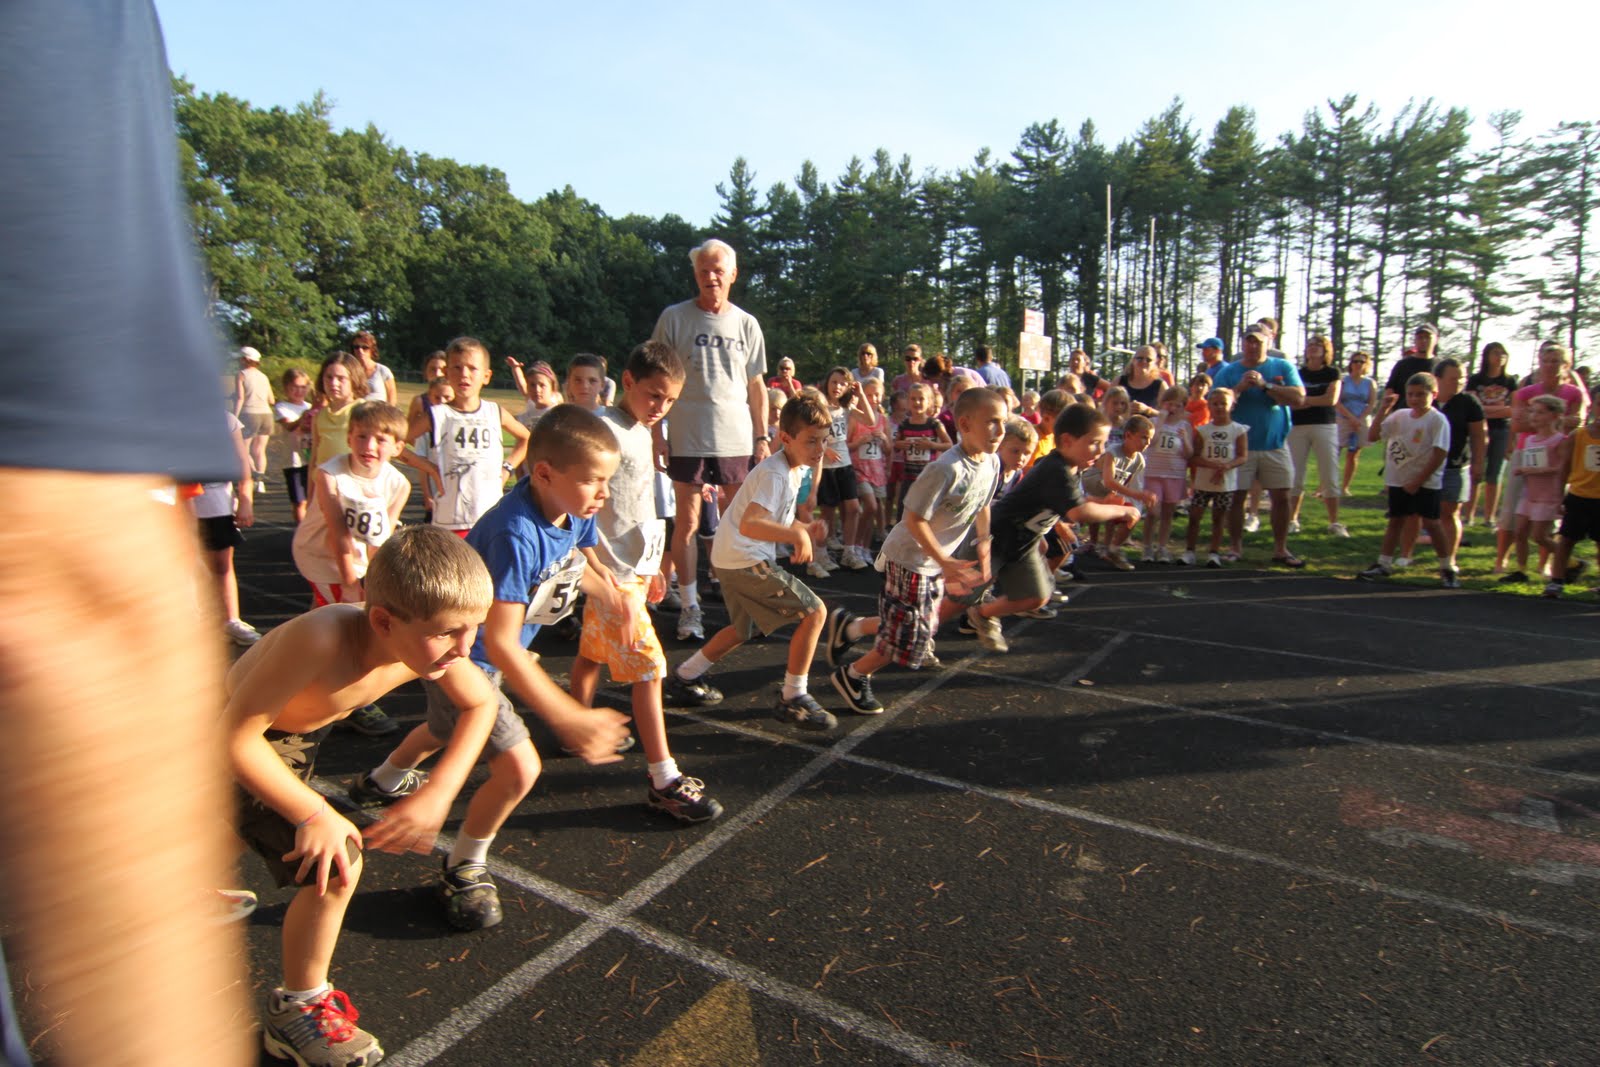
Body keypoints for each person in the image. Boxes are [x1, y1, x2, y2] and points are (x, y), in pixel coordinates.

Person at [228, 526, 501, 1066]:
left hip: (290, 740)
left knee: (231, 828)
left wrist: (441, 790)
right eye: (450, 632)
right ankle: (298, 1009)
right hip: (236, 741)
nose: (466, 647)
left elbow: (481, 704)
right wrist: (314, 812)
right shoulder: (324, 638)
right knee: (337, 858)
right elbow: (233, 737)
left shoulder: (420, 639)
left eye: (475, 628)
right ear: (383, 621)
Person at [350, 407, 632, 930]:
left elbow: (580, 560)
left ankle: (383, 778)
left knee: (443, 727)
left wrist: (614, 594)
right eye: (595, 481)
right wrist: (566, 715)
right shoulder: (513, 536)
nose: (604, 494)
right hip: (464, 657)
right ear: (544, 473)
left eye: (608, 481)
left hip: (490, 654)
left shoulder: (574, 509)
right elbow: (499, 644)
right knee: (519, 768)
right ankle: (463, 865)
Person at [573, 342, 724, 821]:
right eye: (654, 395)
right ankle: (664, 778)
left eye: (671, 400)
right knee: (650, 668)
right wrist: (599, 571)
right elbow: (582, 509)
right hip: (609, 574)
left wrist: (655, 565)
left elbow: (643, 503)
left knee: (591, 653)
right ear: (629, 381)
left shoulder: (642, 430)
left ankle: (571, 727)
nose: (661, 407)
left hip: (634, 571)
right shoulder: (602, 430)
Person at [666, 393, 840, 731]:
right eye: (811, 441)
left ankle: (685, 676)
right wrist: (798, 537)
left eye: (823, 441)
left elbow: (774, 519)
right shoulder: (775, 474)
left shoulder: (790, 469)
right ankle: (793, 697)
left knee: (743, 629)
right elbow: (751, 524)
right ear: (785, 438)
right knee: (815, 612)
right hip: (743, 557)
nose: (819, 450)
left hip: (732, 556)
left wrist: (804, 528)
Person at [822, 388, 1005, 707]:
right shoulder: (946, 469)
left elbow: (984, 506)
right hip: (910, 559)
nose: (1000, 431)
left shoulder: (991, 463)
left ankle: (850, 628)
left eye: (1003, 422)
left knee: (921, 625)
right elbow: (913, 518)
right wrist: (946, 562)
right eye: (992, 422)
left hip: (934, 561)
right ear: (964, 424)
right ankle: (852, 675)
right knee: (910, 639)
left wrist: (984, 546)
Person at [651, 239, 770, 642]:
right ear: (695, 275)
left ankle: (743, 601)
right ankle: (690, 607)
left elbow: (756, 386)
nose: (711, 276)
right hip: (687, 435)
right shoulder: (673, 318)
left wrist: (762, 436)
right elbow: (656, 377)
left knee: (741, 524)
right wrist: (656, 432)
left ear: (733, 274)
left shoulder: (746, 324)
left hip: (736, 437)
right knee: (685, 524)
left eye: (718, 269)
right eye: (704, 270)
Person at [956, 403, 1140, 649]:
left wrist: (1098, 504)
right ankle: (910, 632)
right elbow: (1078, 512)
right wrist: (1122, 509)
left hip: (1025, 542)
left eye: (1104, 443)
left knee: (1037, 596)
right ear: (1066, 441)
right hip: (998, 535)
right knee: (956, 599)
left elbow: (1070, 503)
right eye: (1095, 442)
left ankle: (982, 614)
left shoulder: (1072, 470)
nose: (1101, 450)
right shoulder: (1055, 469)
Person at [291, 401, 415, 607]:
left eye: (381, 440)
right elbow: (338, 534)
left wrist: (375, 581)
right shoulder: (329, 475)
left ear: (398, 447)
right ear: (349, 438)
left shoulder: (399, 484)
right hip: (319, 555)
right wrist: (349, 584)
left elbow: (381, 537)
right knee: (343, 613)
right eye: (361, 436)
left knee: (349, 609)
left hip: (356, 558)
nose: (369, 446)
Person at [407, 336, 531, 535]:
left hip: (490, 517)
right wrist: (429, 467)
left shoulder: (495, 412)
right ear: (447, 373)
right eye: (457, 367)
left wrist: (507, 468)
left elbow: (527, 439)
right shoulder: (437, 415)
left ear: (486, 376)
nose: (464, 374)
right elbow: (394, 442)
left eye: (472, 368)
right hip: (451, 520)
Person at [1208, 324, 1307, 567]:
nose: (1252, 346)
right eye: (1248, 341)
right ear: (1242, 344)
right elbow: (1214, 404)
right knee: (1236, 497)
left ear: (1268, 343)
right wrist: (1239, 389)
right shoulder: (1229, 372)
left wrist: (1266, 386)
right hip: (1239, 446)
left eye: (1258, 342)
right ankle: (1235, 547)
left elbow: (1299, 398)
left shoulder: (1281, 367)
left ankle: (1280, 548)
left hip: (1274, 443)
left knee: (1282, 495)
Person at [1495, 342, 1590, 574]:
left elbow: (1577, 422)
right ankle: (1503, 560)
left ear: (1566, 365)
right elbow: (1517, 425)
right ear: (1539, 363)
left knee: (1549, 510)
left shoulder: (1573, 393)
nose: (1550, 366)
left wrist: (1542, 421)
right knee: (1513, 509)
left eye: (1556, 361)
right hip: (1526, 450)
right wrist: (1553, 421)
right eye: (1546, 361)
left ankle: (1546, 564)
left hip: (1558, 451)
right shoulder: (1526, 392)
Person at [1358, 373, 1456, 586]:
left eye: (1421, 395)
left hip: (1426, 481)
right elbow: (1373, 436)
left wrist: (1419, 480)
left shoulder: (1437, 420)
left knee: (1432, 523)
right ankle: (1384, 563)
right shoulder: (1400, 416)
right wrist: (1383, 409)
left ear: (1434, 394)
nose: (1415, 399)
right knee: (1396, 520)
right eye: (1411, 394)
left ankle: (1446, 566)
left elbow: (1439, 454)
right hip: (1398, 479)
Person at [1404, 358, 1485, 584]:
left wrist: (1479, 463)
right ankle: (1405, 556)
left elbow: (1479, 435)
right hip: (1419, 465)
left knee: (1449, 513)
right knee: (1414, 512)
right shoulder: (1423, 400)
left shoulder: (1469, 402)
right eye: (1453, 378)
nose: (1459, 382)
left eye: (1462, 377)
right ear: (1437, 379)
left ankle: (1448, 560)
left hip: (1455, 465)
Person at [196, 412, 260, 646]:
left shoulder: (226, 419)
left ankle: (231, 619)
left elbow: (242, 462)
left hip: (215, 502)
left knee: (221, 565)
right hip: (179, 502)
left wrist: (245, 498)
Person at [1504, 395, 1570, 583]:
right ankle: (1521, 570)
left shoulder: (1560, 440)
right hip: (1529, 493)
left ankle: (1571, 562)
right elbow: (1529, 464)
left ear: (1555, 416)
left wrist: (1535, 470)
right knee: (1520, 532)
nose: (1534, 416)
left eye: (1540, 412)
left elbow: (1563, 469)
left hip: (1548, 495)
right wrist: (1524, 471)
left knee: (1540, 536)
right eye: (1532, 412)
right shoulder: (1530, 440)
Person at [1286, 335, 1345, 537]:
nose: (1312, 348)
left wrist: (1305, 400)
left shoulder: (1332, 372)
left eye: (1317, 345)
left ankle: (1334, 522)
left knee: (1329, 473)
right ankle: (1292, 519)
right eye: (1310, 344)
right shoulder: (1297, 373)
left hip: (1324, 425)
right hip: (1298, 427)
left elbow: (1331, 399)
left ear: (1326, 350)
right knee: (1295, 474)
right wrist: (1309, 400)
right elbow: (1291, 400)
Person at [1183, 388, 1249, 567]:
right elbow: (1194, 456)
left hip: (1225, 483)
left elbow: (1243, 455)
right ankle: (1190, 551)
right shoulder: (1203, 430)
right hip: (1204, 480)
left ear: (1232, 405)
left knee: (1218, 518)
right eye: (1215, 404)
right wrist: (1212, 466)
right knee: (1195, 515)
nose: (1219, 407)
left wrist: (1227, 466)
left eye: (1224, 404)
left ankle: (1214, 553)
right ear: (1209, 406)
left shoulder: (1238, 430)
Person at [818, 367, 876, 571]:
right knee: (827, 512)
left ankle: (849, 552)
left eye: (842, 383)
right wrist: (824, 450)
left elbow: (871, 421)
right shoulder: (820, 406)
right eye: (834, 382)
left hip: (845, 466)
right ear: (827, 383)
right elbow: (809, 433)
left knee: (853, 508)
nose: (837, 387)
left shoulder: (846, 409)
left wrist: (861, 394)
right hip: (825, 467)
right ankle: (822, 554)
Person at [1541, 402, 1600, 598]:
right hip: (1579, 496)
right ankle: (1556, 582)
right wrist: (1559, 496)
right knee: (1566, 540)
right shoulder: (1578, 435)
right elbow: (1564, 467)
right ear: (1593, 407)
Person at [1081, 415, 1155, 569]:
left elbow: (1127, 484)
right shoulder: (1112, 452)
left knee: (1133, 513)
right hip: (1091, 488)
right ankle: (1093, 544)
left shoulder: (1139, 460)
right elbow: (1109, 481)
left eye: (1150, 439)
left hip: (1109, 493)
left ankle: (1113, 548)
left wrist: (1138, 498)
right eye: (1144, 438)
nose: (1147, 443)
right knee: (1108, 505)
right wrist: (1137, 495)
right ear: (1128, 435)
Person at [1465, 342, 1519, 527]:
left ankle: (1489, 518)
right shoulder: (1475, 379)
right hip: (1478, 429)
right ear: (1487, 356)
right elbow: (1473, 407)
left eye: (1503, 353)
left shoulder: (1510, 382)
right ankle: (1468, 515)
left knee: (1494, 475)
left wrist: (1486, 409)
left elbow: (1513, 410)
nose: (1500, 356)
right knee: (1475, 472)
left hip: (1502, 431)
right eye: (1496, 353)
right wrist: (1498, 409)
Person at [1143, 387, 1196, 561]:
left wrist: (1186, 439)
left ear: (1183, 408)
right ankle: (1147, 547)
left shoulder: (1185, 426)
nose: (1172, 409)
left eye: (1177, 405)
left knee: (1168, 513)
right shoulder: (1153, 421)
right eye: (1169, 404)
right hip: (1153, 472)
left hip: (1174, 474)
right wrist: (1161, 421)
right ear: (1162, 404)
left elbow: (1188, 454)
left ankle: (1162, 547)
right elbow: (1152, 442)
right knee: (1153, 512)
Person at [308, 351, 370, 472]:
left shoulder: (364, 411)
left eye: (341, 378)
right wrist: (311, 490)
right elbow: (314, 458)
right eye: (329, 377)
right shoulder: (319, 416)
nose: (333, 383)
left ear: (354, 379)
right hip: (323, 484)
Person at [850, 376, 892, 548]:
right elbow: (845, 445)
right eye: (868, 395)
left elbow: (889, 450)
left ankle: (864, 547)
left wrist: (883, 439)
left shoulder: (883, 420)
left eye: (876, 395)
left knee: (874, 509)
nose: (873, 399)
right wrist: (859, 442)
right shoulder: (855, 418)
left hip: (877, 470)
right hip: (859, 470)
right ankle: (856, 543)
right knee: (870, 506)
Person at [275, 367, 315, 523]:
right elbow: (289, 426)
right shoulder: (282, 407)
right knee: (299, 501)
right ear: (286, 388)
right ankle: (301, 533)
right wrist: (304, 417)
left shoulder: (310, 407)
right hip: (293, 461)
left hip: (311, 459)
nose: (299, 391)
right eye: (295, 387)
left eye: (303, 387)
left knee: (312, 500)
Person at [233, 345, 275, 494]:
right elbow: (271, 400)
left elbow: (240, 398)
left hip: (249, 413)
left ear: (245, 360)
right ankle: (260, 482)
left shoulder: (241, 374)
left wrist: (234, 417)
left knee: (244, 450)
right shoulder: (264, 376)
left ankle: (253, 474)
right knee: (260, 450)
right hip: (267, 414)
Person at [1336, 351, 1376, 496]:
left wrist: (1359, 419)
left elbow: (1371, 403)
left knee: (1353, 454)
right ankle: (1326, 486)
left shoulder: (1369, 383)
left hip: (1361, 420)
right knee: (1335, 452)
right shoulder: (1343, 381)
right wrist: (1350, 417)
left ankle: (1345, 487)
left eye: (1361, 362)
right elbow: (1337, 402)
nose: (1358, 364)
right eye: (1355, 361)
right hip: (1343, 418)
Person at [1383, 324, 1440, 399]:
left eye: (1427, 337)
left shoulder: (1441, 366)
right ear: (1415, 340)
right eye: (1420, 337)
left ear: (1436, 340)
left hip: (1431, 410)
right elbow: (1390, 390)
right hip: (1404, 409)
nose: (1423, 340)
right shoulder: (1402, 365)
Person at [508, 357, 561, 430]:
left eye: (542, 385)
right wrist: (515, 368)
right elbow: (522, 386)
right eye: (532, 385)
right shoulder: (531, 405)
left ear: (552, 388)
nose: (537, 390)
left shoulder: (556, 413)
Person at [349, 331, 398, 406]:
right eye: (356, 347)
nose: (360, 350)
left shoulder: (383, 371)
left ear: (372, 349)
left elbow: (392, 399)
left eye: (365, 347)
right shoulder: (349, 371)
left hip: (379, 414)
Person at [1116, 346, 1164, 414]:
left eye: (1148, 360)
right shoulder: (1119, 381)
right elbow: (1105, 407)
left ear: (1154, 363)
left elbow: (1168, 415)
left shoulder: (1160, 385)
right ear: (1133, 360)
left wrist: (1147, 410)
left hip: (1149, 423)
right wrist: (1125, 408)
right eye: (1140, 358)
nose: (1144, 362)